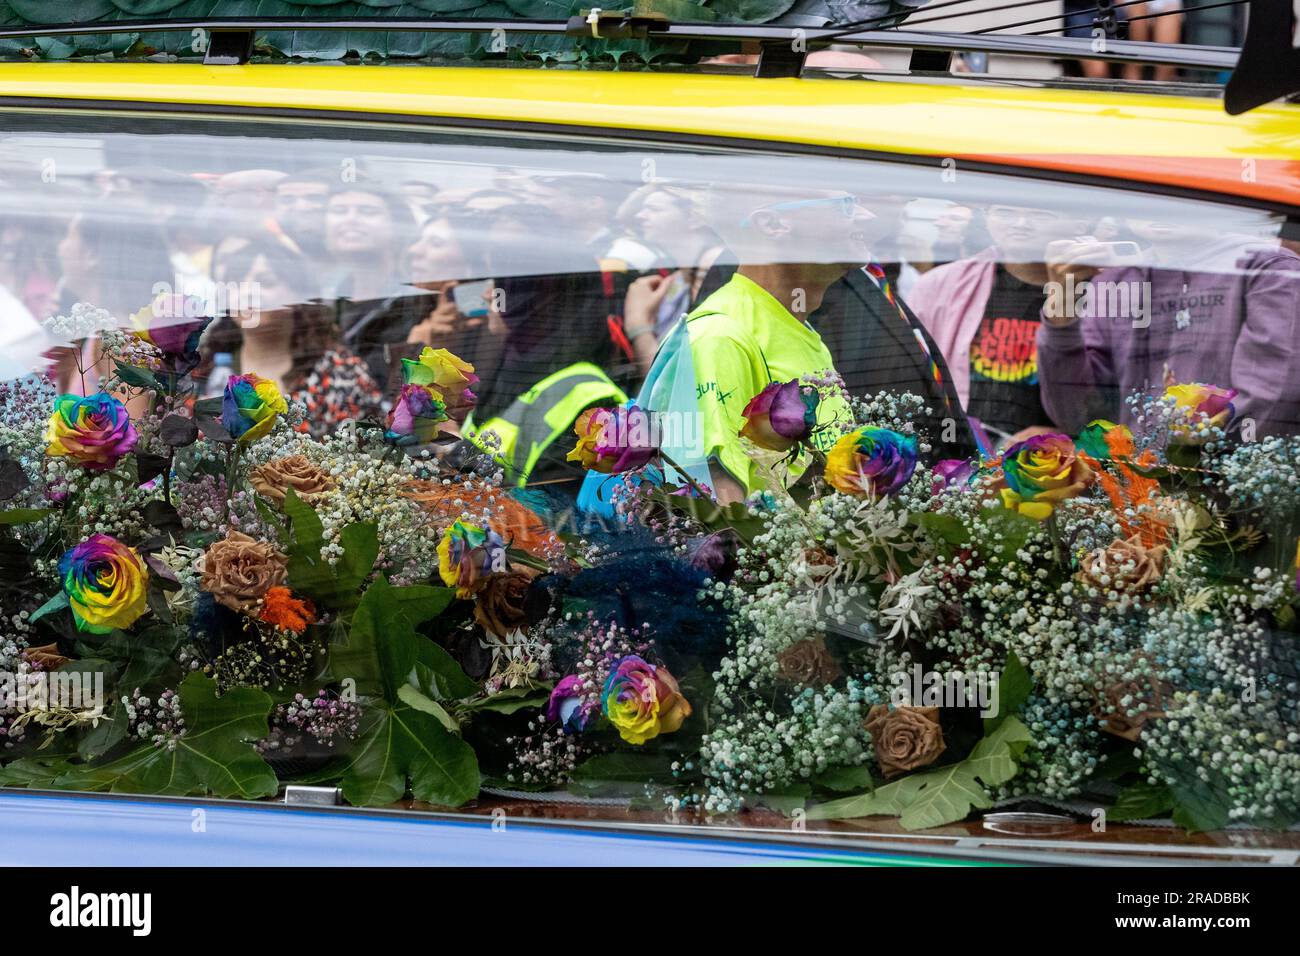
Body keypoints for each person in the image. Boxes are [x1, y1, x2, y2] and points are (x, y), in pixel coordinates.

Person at [1037, 221, 1300, 437]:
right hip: (1135, 488)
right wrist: (1062, 309)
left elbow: (1274, 396)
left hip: (1225, 487)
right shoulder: (1115, 279)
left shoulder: (1266, 269)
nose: (1162, 207)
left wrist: (1198, 472)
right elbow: (1079, 415)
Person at [907, 203, 1077, 450]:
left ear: (1077, 223)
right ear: (986, 217)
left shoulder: (1101, 293)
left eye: (1041, 212)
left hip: (1057, 471)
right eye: (1005, 211)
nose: (1021, 224)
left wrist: (1072, 437)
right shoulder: (939, 286)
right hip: (958, 464)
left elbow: (1115, 400)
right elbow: (910, 384)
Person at [209, 235, 385, 439]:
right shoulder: (207, 369)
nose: (249, 292)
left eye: (266, 282)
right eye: (237, 284)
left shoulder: (340, 373)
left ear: (297, 296)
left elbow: (364, 454)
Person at [321, 180, 425, 386]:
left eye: (368, 211)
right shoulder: (323, 297)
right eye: (339, 210)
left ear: (398, 226)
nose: (351, 220)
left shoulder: (418, 297)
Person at [617, 183, 727, 376]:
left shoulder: (719, 268)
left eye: (653, 209)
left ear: (694, 218)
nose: (640, 216)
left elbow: (674, 379)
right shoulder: (678, 277)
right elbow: (622, 218)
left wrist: (639, 326)